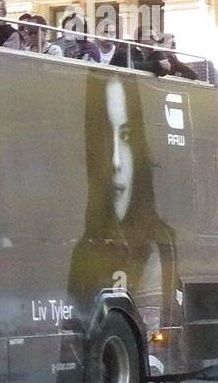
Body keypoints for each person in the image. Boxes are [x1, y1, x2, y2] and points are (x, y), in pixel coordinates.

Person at [69, 72, 178, 341]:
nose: (116, 161)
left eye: (126, 136)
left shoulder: (157, 246)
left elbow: (156, 325)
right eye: (105, 137)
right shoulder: (82, 249)